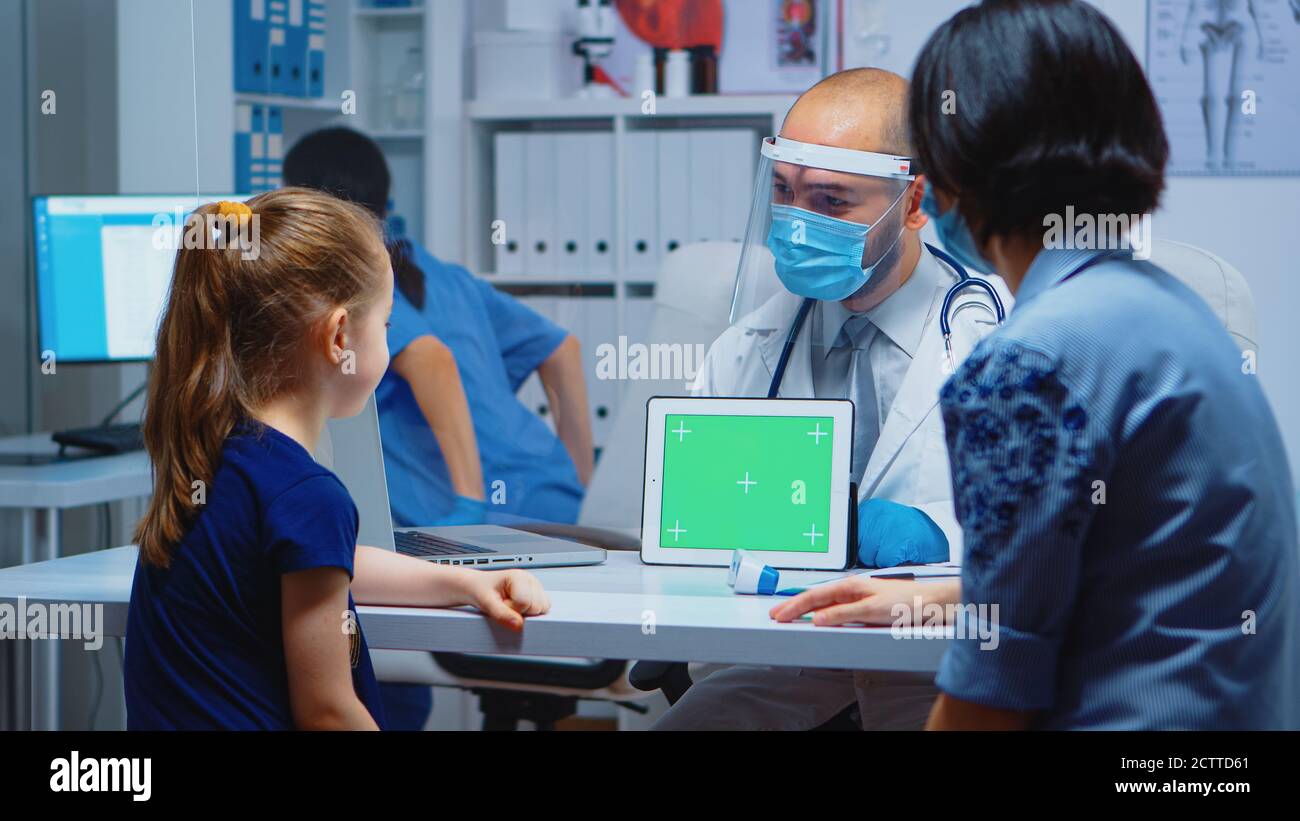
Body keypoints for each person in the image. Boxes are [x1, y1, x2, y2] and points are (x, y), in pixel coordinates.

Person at [781, 0, 1299, 730]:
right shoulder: (1178, 314)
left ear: (950, 175)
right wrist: (946, 598)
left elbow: (989, 704)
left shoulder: (1030, 362)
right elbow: (1140, 574)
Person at [654, 67, 1010, 731]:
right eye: (784, 195)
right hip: (778, 671)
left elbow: (1064, 535)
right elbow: (693, 543)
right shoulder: (748, 346)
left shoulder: (1002, 342)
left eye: (830, 201)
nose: (795, 224)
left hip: (940, 678)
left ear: (913, 202)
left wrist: (938, 532)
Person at [124, 190, 550, 730]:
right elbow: (328, 714)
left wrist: (465, 584)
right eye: (387, 325)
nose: (390, 345)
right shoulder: (306, 495)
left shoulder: (213, 455)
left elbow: (329, 562)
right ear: (341, 336)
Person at [283, 127, 594, 531]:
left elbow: (432, 359)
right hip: (553, 498)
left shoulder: (355, 282)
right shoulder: (436, 271)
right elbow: (563, 350)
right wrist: (583, 490)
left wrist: (470, 503)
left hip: (494, 525)